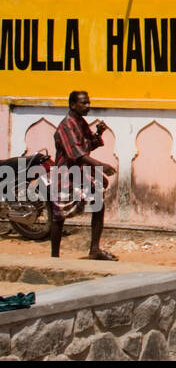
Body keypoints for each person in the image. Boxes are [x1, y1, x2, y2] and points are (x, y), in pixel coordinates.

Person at [50, 91, 118, 260]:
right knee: (59, 216)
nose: (88, 106)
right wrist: (101, 166)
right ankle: (54, 257)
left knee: (98, 203)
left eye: (88, 102)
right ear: (73, 105)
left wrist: (98, 133)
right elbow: (77, 154)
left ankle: (94, 249)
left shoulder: (80, 122)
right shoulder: (66, 126)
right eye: (84, 103)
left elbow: (88, 145)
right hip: (65, 174)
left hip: (80, 173)